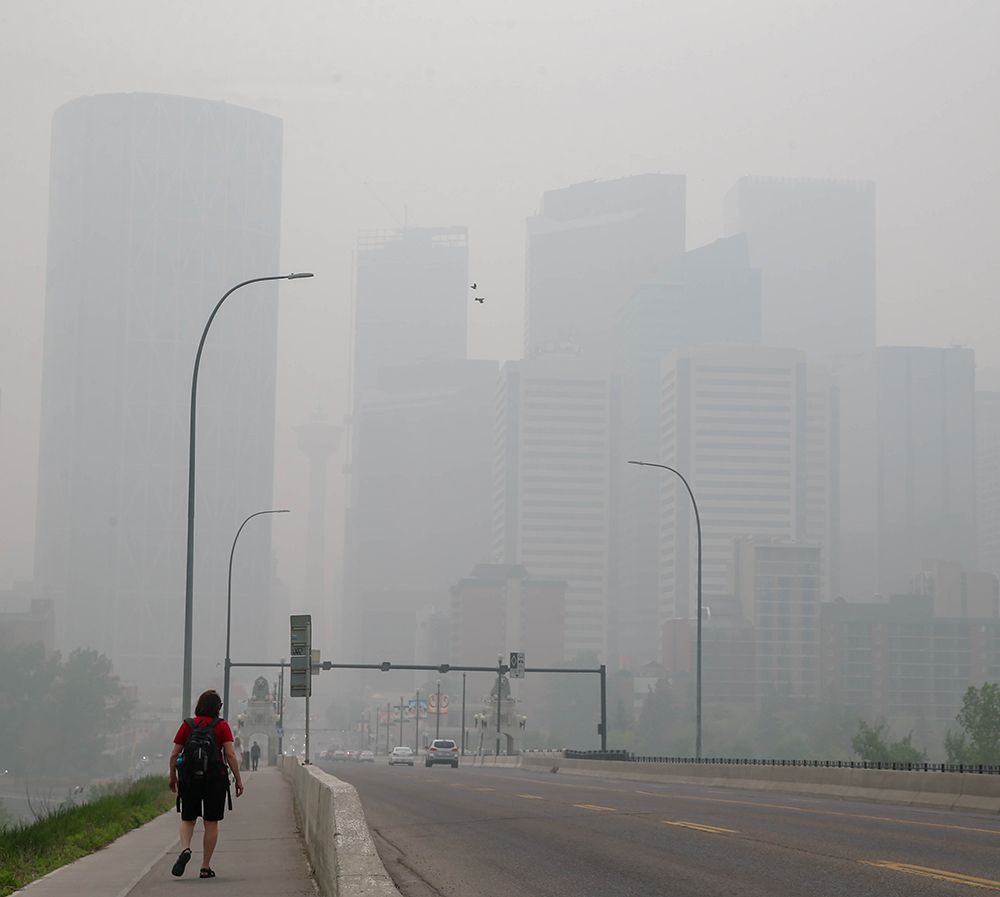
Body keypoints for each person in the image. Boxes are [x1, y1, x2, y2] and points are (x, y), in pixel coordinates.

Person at [169, 689, 244, 879]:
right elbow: (230, 754)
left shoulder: (188, 725)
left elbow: (174, 754)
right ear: (217, 708)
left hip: (189, 779)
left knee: (188, 819)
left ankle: (186, 849)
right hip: (215, 779)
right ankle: (205, 867)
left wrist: (173, 776)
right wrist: (238, 779)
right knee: (211, 822)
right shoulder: (221, 726)